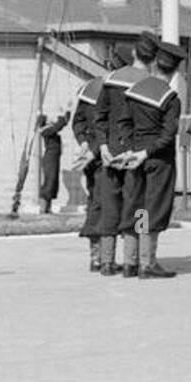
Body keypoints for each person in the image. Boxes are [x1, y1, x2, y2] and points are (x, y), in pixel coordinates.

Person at [120, 40, 185, 280]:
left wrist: (131, 149)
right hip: (158, 160)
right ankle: (147, 264)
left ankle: (130, 261)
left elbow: (123, 123)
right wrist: (146, 152)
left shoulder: (134, 90)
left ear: (156, 62)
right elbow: (168, 136)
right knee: (152, 210)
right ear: (175, 69)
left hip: (134, 156)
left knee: (136, 207)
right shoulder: (171, 99)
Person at [94, 33, 157, 277]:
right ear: (153, 58)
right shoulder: (152, 85)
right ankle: (135, 261)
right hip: (137, 154)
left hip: (111, 152)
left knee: (110, 206)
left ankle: (107, 262)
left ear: (134, 53)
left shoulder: (110, 80)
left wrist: (103, 146)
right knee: (139, 208)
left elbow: (99, 116)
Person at [71, 76, 107, 270]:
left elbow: (78, 122)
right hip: (125, 157)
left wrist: (84, 141)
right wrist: (91, 148)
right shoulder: (130, 90)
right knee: (138, 209)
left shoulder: (91, 89)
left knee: (97, 206)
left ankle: (100, 258)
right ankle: (138, 259)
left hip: (97, 157)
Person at [37, 110, 69, 214]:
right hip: (50, 158)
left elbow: (58, 125)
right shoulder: (45, 130)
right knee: (49, 181)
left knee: (53, 182)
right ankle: (43, 207)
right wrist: (64, 115)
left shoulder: (48, 129)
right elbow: (58, 126)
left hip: (54, 158)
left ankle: (48, 207)